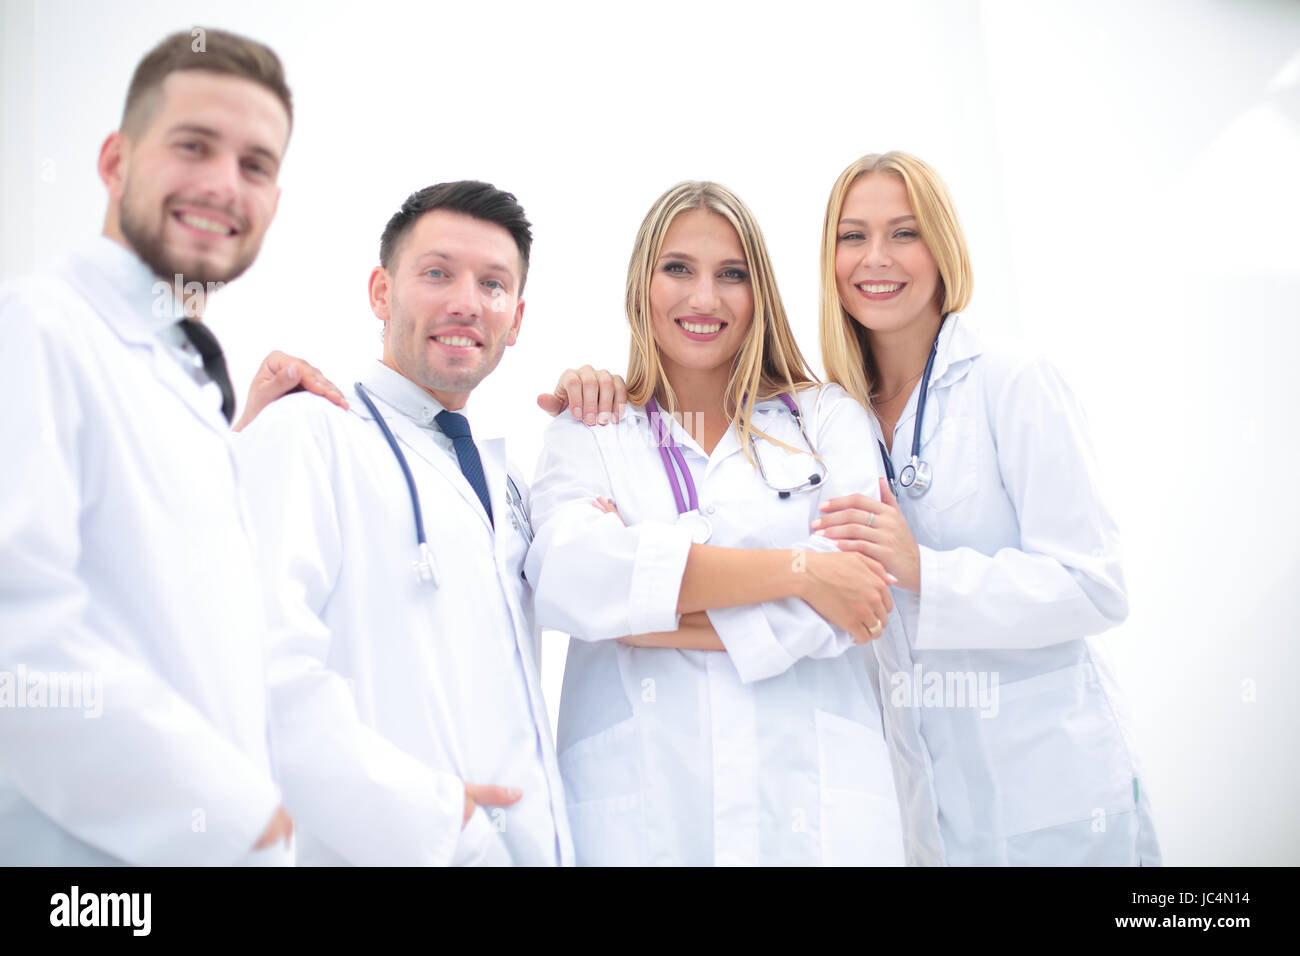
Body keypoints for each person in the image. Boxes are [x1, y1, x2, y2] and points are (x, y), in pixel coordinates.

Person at [0, 28, 340, 865]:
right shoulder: (36, 329)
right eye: (194, 146)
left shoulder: (184, 380)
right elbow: (18, 645)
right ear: (116, 161)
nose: (225, 185)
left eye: (255, 165)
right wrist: (242, 816)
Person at [235, 181, 628, 865]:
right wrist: (442, 823)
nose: (466, 303)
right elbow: (259, 673)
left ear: (518, 316)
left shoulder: (506, 481)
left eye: (493, 284)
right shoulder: (309, 430)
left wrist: (612, 432)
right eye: (438, 273)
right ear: (381, 292)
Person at [525, 181, 906, 866]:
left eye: (732, 275)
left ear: (759, 292)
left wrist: (639, 609)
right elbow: (568, 582)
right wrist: (803, 570)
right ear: (642, 285)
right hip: (647, 819)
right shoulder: (591, 431)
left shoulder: (825, 419)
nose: (704, 298)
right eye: (679, 269)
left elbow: (855, 604)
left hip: (812, 813)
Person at [813, 151, 1160, 865]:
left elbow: (1095, 587)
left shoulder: (1012, 380)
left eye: (903, 233)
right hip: (926, 808)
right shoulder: (829, 416)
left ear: (943, 247)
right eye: (853, 236)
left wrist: (924, 571)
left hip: (1053, 794)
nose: (875, 258)